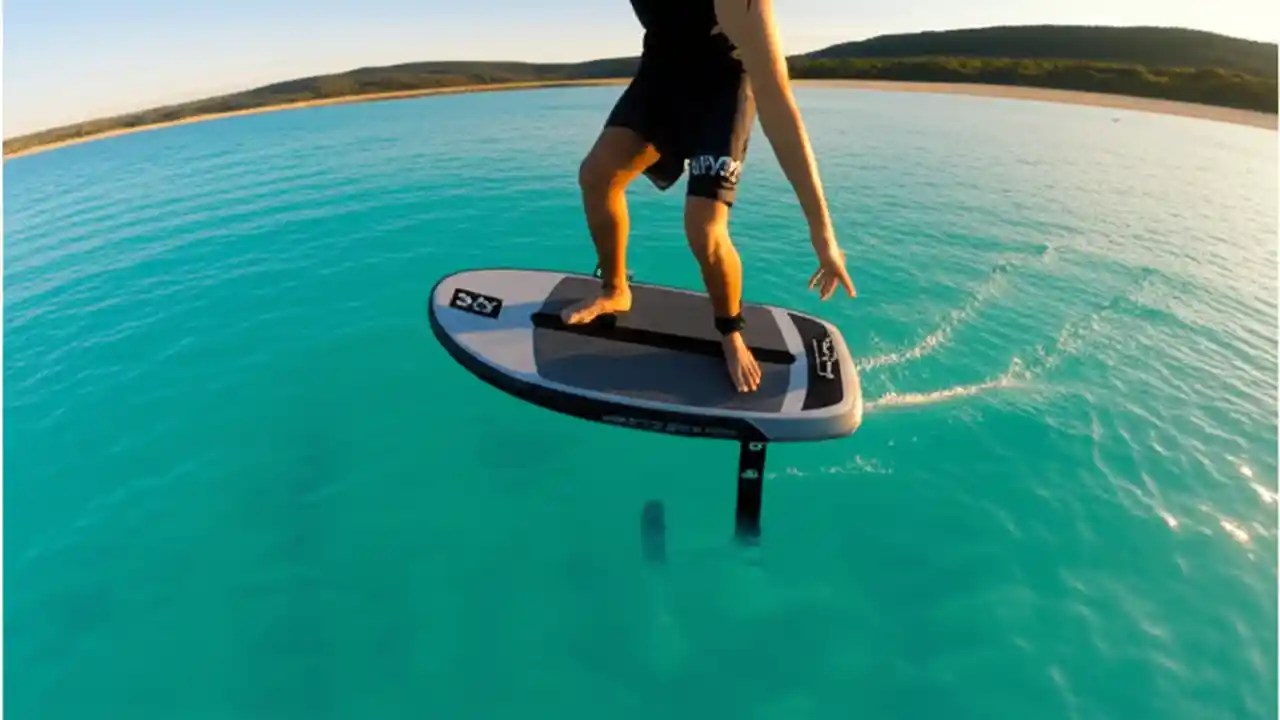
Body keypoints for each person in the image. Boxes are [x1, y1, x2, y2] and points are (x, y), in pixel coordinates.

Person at [561, 0, 855, 393]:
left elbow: (777, 100)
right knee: (597, 176)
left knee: (704, 227)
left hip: (725, 88)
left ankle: (730, 329)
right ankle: (616, 289)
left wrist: (822, 232)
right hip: (661, 75)